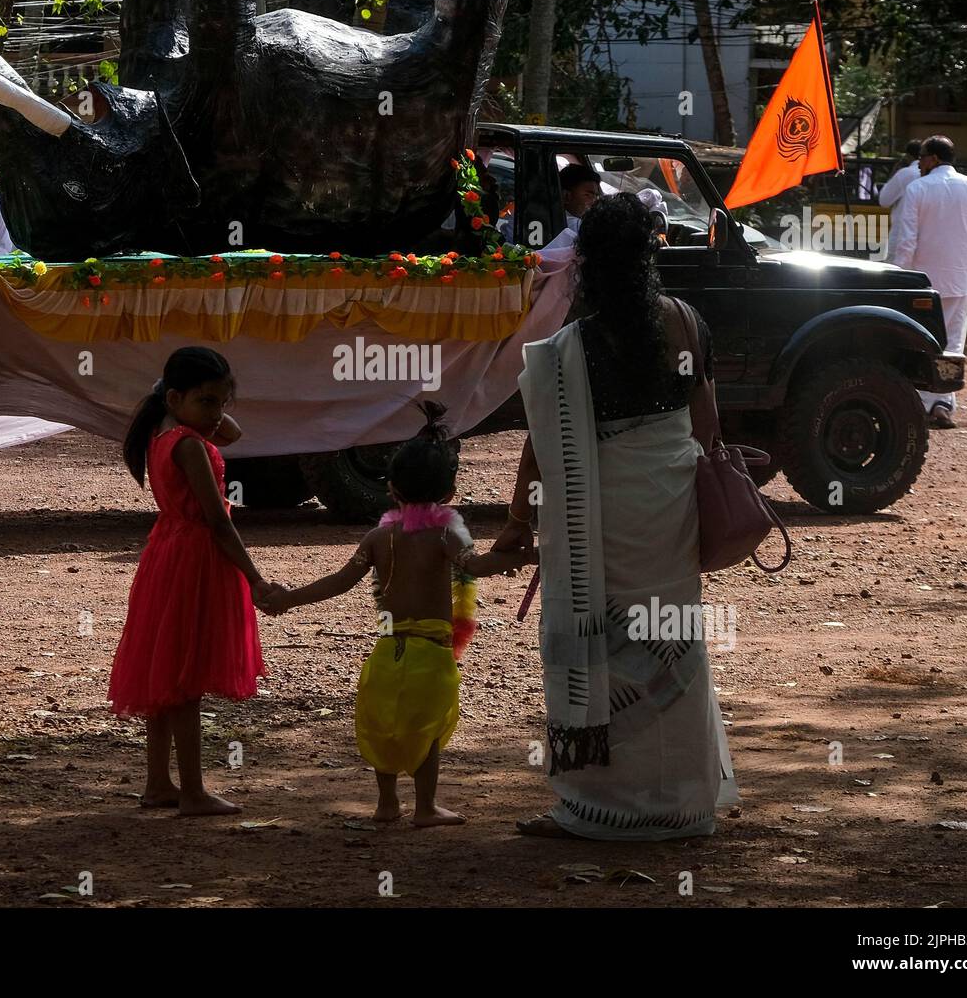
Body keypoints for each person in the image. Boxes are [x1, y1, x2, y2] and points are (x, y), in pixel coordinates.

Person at [494, 192, 738, 840]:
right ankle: (681, 803)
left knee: (598, 651)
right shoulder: (686, 322)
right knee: (672, 642)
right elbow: (708, 431)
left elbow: (541, 445)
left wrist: (519, 520)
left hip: (595, 524)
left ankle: (593, 806)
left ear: (586, 265)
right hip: (670, 510)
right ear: (648, 252)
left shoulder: (568, 349)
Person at [260, 403, 537, 827]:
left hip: (387, 651)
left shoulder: (377, 536)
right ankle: (425, 807)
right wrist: (532, 555)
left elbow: (339, 582)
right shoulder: (445, 533)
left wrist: (288, 599)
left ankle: (386, 804)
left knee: (386, 724)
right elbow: (476, 566)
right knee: (426, 730)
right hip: (431, 653)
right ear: (448, 493)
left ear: (391, 490)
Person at [108, 347, 275, 815]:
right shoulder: (190, 445)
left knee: (166, 672)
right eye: (207, 402)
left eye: (222, 401)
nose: (218, 413)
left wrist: (204, 411)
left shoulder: (165, 433)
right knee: (185, 678)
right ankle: (194, 792)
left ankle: (159, 784)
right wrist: (255, 579)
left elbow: (234, 432)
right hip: (195, 558)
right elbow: (218, 522)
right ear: (176, 396)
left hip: (167, 552)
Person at [888, 134, 967, 428]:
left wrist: (900, 278)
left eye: (921, 157)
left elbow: (907, 241)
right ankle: (944, 404)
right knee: (953, 342)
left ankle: (921, 403)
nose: (918, 163)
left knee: (919, 341)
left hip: (922, 282)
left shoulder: (918, 188)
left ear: (933, 159)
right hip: (958, 279)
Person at [878, 139, 923, 219]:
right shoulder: (936, 174)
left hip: (902, 228)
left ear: (908, 155)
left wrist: (893, 175)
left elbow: (884, 200)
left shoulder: (905, 173)